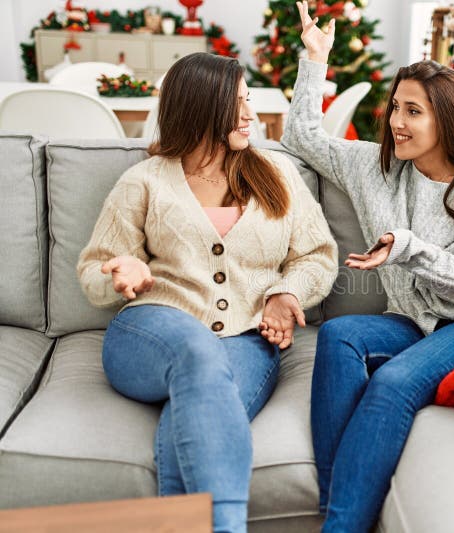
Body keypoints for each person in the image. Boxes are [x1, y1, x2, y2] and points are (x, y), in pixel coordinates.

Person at [280, 3, 454, 531]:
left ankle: (341, 521)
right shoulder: (372, 165)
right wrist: (314, 61)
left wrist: (411, 248)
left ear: (447, 119)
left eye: (413, 111)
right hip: (415, 320)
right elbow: (299, 137)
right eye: (396, 108)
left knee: (392, 384)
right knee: (340, 335)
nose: (396, 121)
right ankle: (339, 512)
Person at [77, 52, 337, 533]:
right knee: (198, 351)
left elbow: (317, 255)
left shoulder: (277, 175)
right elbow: (95, 269)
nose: (250, 115)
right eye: (236, 103)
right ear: (200, 106)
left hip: (247, 340)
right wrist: (121, 270)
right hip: (152, 328)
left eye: (248, 101)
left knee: (195, 418)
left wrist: (287, 293)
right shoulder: (146, 181)